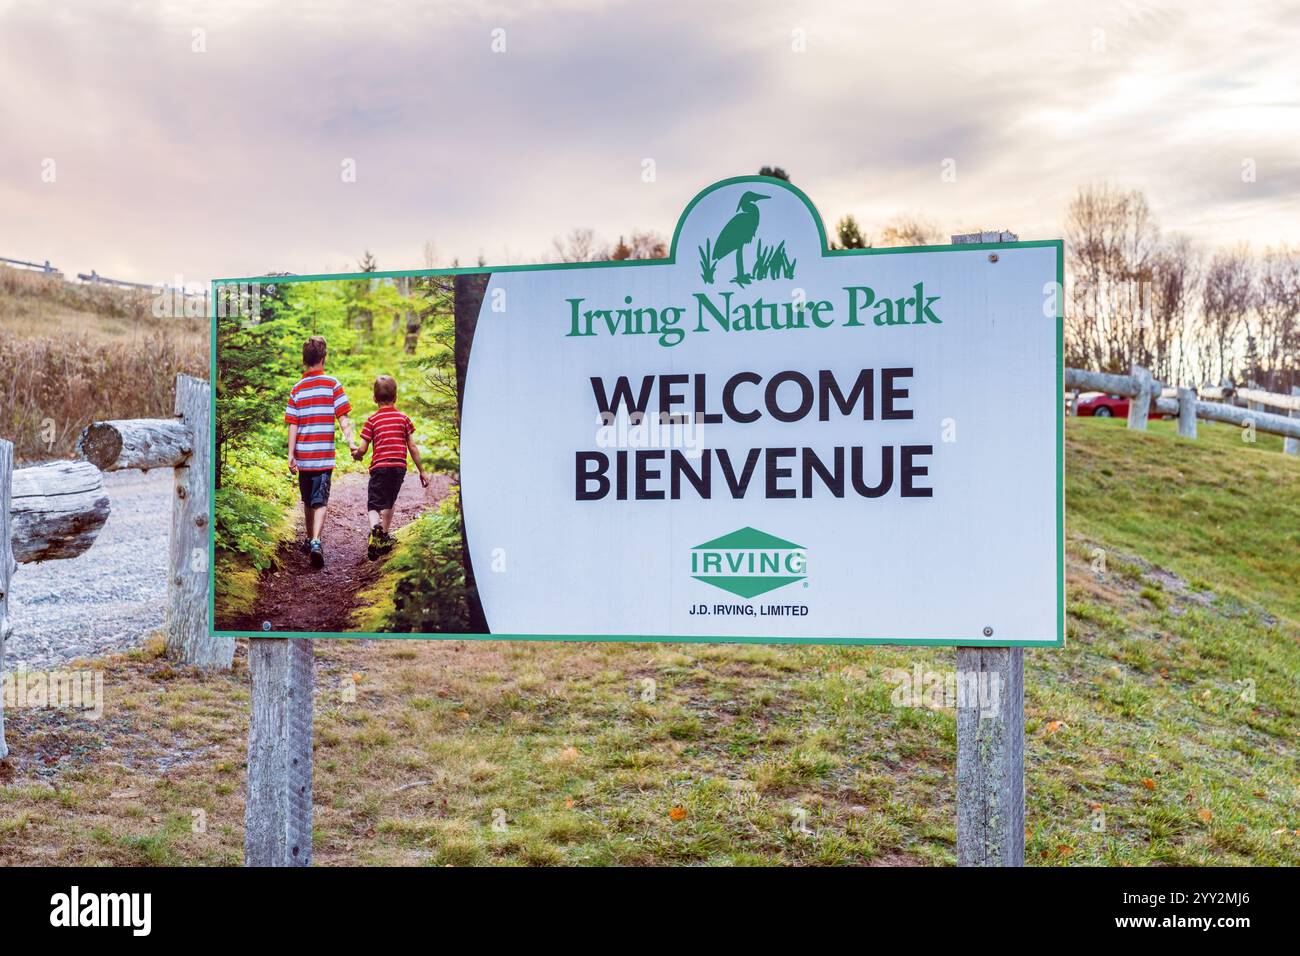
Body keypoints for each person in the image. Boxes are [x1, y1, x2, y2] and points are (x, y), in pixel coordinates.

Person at [285, 335, 357, 568]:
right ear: (324, 358)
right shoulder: (333, 385)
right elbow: (343, 418)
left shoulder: (297, 389)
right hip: (324, 456)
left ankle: (310, 539)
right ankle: (315, 540)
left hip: (304, 456)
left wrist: (291, 454)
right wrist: (352, 443)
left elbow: (293, 424)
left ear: (304, 360)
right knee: (320, 500)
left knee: (308, 499)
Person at [351, 374, 429, 560]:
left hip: (380, 467)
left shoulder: (372, 420)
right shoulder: (404, 419)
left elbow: (362, 448)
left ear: (374, 398)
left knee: (373, 503)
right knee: (389, 501)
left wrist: (357, 455)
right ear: (395, 398)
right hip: (398, 467)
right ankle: (384, 535)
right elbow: (412, 446)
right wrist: (422, 470)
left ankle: (375, 530)